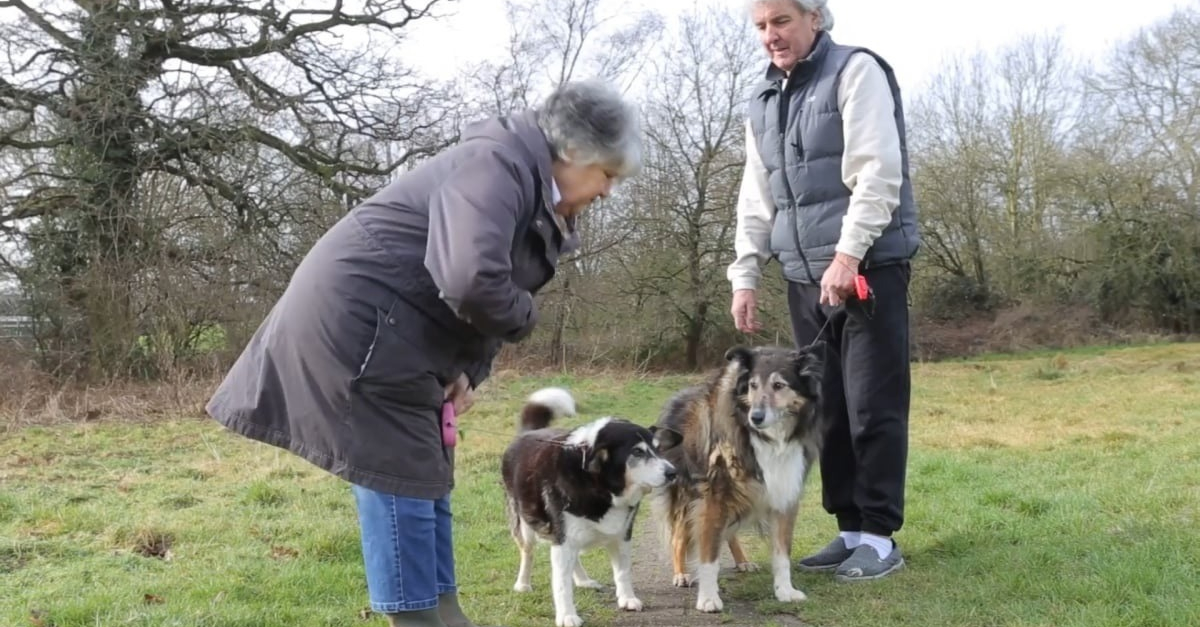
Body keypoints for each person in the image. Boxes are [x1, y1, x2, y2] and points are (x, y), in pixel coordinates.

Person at [205, 80, 642, 626]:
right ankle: (421, 620)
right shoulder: (495, 166)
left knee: (426, 483)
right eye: (607, 175)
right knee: (400, 484)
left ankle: (445, 616)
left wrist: (472, 369)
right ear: (574, 152)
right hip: (361, 333)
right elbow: (471, 279)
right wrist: (526, 319)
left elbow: (481, 284)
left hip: (400, 336)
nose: (607, 192)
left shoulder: (521, 181)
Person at [727, 0, 920, 582]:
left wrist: (848, 253)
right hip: (804, 274)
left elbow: (877, 170)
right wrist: (745, 273)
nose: (771, 36)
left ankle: (881, 537)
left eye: (781, 21)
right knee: (823, 407)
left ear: (815, 18)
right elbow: (756, 195)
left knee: (871, 405)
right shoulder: (762, 99)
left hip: (865, 271)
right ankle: (850, 530)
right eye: (761, 26)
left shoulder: (856, 71)